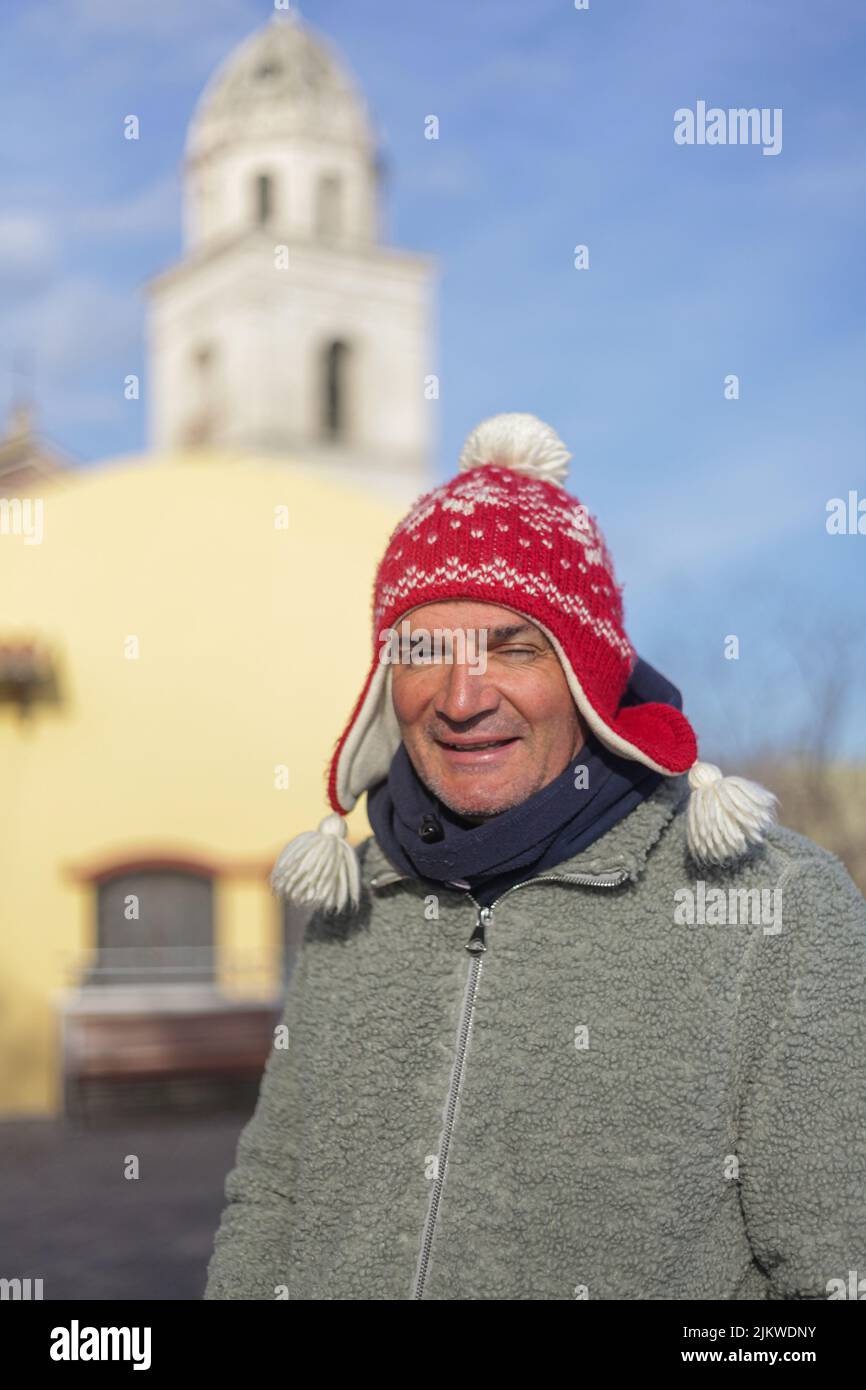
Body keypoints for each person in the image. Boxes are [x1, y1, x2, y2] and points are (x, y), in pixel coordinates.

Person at [204, 412, 866, 1301]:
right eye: (422, 651)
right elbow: (272, 1203)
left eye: (514, 646)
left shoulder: (774, 904)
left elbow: (836, 1276)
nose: (461, 697)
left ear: (590, 676)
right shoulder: (354, 898)